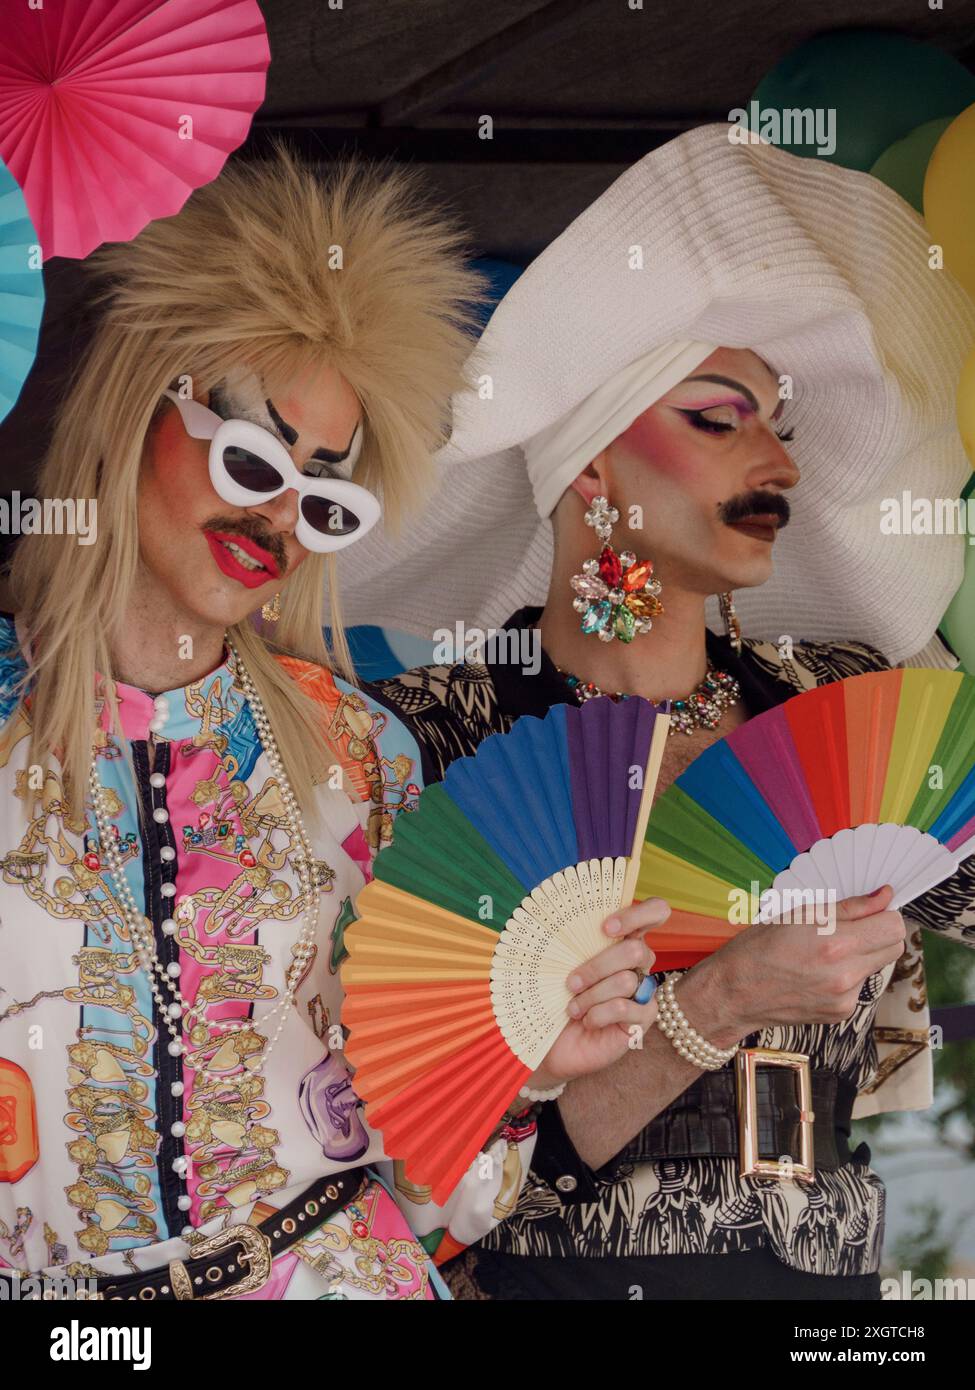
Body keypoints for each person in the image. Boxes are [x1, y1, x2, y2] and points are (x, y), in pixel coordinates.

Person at [0, 147, 656, 1301]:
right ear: (134, 411)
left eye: (324, 494)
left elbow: (446, 1192)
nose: (279, 512)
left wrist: (518, 1065)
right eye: (251, 454)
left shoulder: (364, 759)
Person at [343, 125, 975, 1299]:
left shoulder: (838, 694)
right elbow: (435, 1154)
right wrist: (720, 997)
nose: (780, 463)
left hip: (828, 1297)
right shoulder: (428, 738)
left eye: (779, 426)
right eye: (721, 418)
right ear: (590, 467)